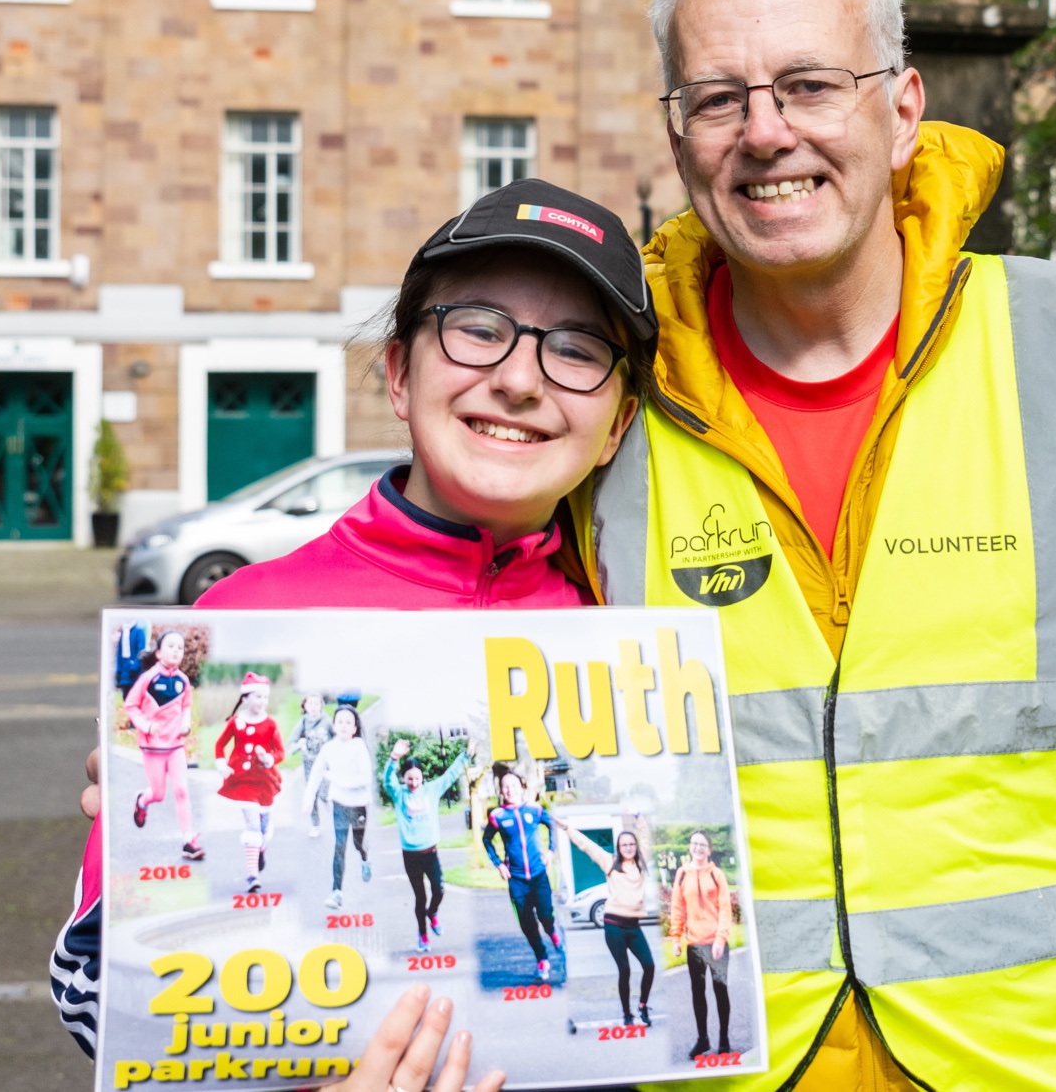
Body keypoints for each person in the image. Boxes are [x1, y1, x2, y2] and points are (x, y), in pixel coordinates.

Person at [577, 0, 1056, 1090]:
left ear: (902, 108)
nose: (765, 132)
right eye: (718, 97)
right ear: (677, 133)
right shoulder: (596, 390)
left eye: (809, 83)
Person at [57, 177, 653, 1069]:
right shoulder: (243, 619)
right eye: (479, 328)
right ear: (401, 372)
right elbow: (96, 997)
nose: (520, 379)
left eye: (576, 349)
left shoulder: (634, 634)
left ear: (616, 425)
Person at [557, 819, 655, 1027]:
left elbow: (646, 838)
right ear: (618, 848)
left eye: (631, 844)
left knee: (649, 965)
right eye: (624, 845)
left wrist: (638, 818)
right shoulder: (610, 862)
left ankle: (643, 1005)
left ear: (636, 846)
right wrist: (567, 828)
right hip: (614, 925)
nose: (628, 848)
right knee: (625, 970)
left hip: (634, 926)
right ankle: (627, 1013)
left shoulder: (640, 863)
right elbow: (587, 845)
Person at [121, 629, 203, 861]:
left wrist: (185, 723)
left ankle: (188, 840)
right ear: (158, 653)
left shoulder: (183, 681)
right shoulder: (148, 678)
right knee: (158, 794)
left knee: (181, 791)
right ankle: (142, 800)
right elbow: (131, 705)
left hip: (175, 746)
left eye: (180, 647)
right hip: (153, 747)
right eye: (171, 646)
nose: (176, 650)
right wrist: (145, 726)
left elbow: (186, 706)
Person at [385, 739, 470, 953]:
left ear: (422, 777)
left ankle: (433, 913)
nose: (414, 782)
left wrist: (466, 756)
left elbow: (451, 774)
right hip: (410, 855)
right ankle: (422, 934)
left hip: (430, 852)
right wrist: (394, 758)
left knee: (439, 889)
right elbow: (387, 780)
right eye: (409, 778)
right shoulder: (399, 794)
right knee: (420, 897)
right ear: (404, 778)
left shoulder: (431, 790)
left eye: (417, 778)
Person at [481, 762, 563, 980]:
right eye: (505, 786)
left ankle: (552, 932)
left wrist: (551, 851)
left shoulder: (534, 810)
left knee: (545, 915)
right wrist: (499, 864)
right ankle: (542, 959)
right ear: (501, 790)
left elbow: (553, 826)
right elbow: (487, 840)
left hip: (538, 875)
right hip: (516, 880)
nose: (510, 790)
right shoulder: (497, 815)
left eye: (513, 785)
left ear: (522, 787)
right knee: (527, 924)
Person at [212, 673, 285, 892]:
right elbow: (219, 745)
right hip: (243, 782)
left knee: (263, 827)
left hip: (265, 781)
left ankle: (261, 847)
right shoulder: (236, 722)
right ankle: (252, 875)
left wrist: (268, 758)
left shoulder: (270, 724)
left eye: (265, 697)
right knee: (252, 826)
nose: (262, 701)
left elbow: (280, 752)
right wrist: (222, 765)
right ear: (245, 698)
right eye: (257, 696)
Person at [666, 830, 734, 1060]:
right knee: (698, 993)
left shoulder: (716, 874)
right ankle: (703, 1039)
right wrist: (676, 938)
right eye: (694, 843)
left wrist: (720, 939)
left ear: (709, 850)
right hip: (694, 944)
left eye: (702, 844)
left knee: (720, 991)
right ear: (690, 847)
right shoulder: (682, 874)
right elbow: (677, 907)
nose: (698, 848)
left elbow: (725, 908)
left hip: (716, 944)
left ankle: (723, 1039)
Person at [305, 703, 375, 908]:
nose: (344, 725)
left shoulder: (359, 747)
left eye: (348, 722)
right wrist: (308, 799)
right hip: (339, 805)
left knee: (357, 843)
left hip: (359, 805)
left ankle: (365, 858)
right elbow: (316, 773)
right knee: (339, 846)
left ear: (354, 728)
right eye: (340, 722)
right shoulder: (329, 748)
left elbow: (364, 779)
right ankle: (336, 892)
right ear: (334, 726)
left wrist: (336, 778)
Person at [289, 691, 333, 838]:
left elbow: (338, 738)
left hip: (325, 763)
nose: (313, 707)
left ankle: (330, 804)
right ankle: (315, 825)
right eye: (310, 704)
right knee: (311, 794)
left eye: (316, 703)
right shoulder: (303, 723)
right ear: (305, 706)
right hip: (309, 762)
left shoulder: (327, 721)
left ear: (321, 706)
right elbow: (290, 744)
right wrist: (298, 745)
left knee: (324, 793)